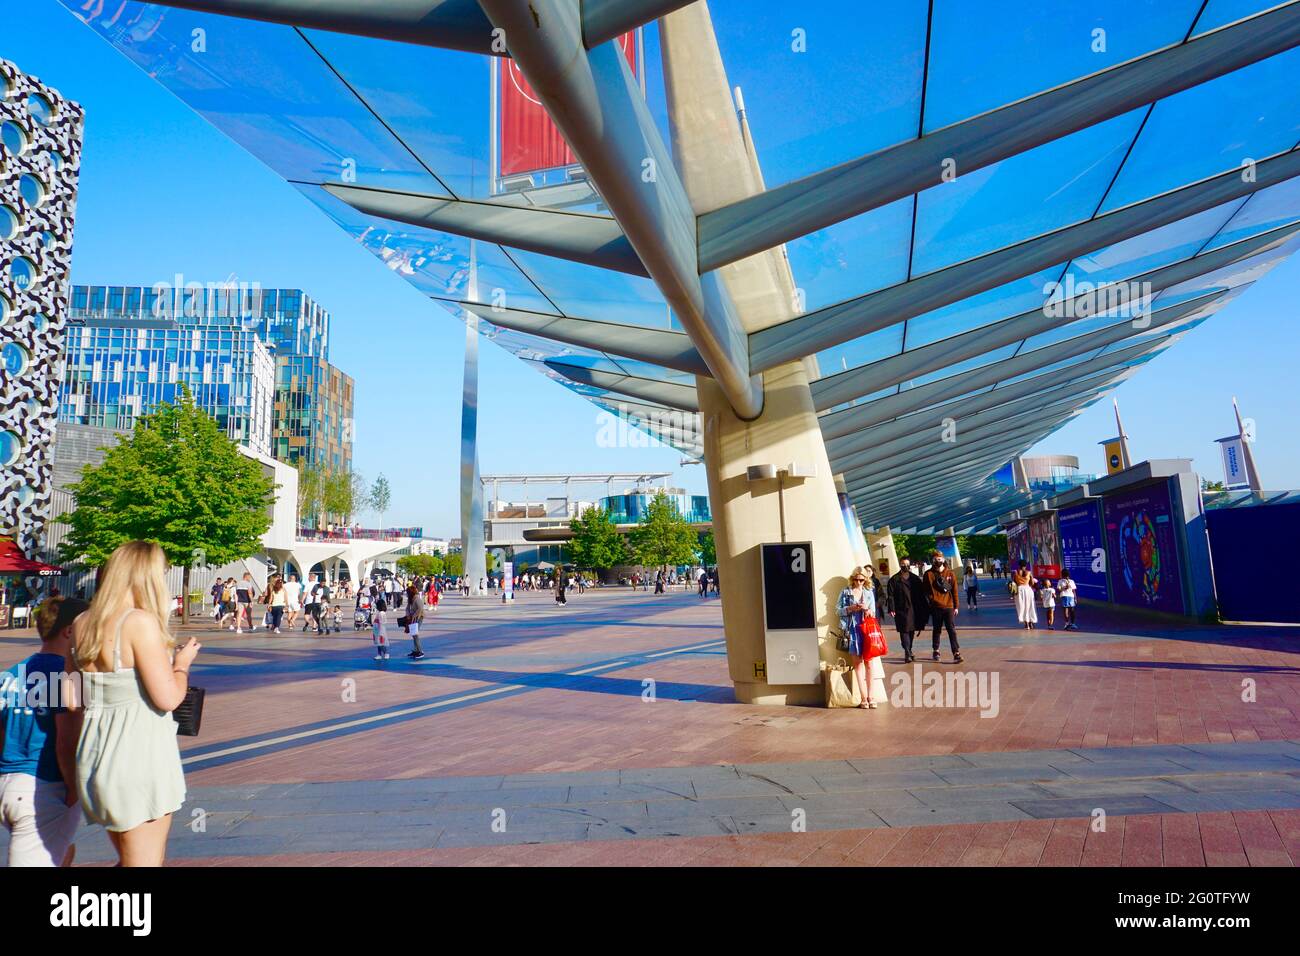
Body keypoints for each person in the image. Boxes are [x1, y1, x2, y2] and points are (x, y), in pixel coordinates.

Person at [67, 540, 199, 867]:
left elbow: (70, 700)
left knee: (129, 860)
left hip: (96, 758)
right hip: (139, 760)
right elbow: (168, 697)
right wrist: (181, 664)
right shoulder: (139, 622)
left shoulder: (81, 624)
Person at [0, 596, 89, 867]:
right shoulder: (67, 677)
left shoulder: (9, 674)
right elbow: (66, 741)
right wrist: (74, 790)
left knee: (59, 850)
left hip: (7, 782)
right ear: (70, 631)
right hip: (44, 787)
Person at [837, 567, 884, 708]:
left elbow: (873, 614)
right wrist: (851, 608)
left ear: (866, 579)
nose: (859, 582)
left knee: (869, 663)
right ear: (853, 579)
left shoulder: (869, 593)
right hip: (852, 630)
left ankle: (871, 696)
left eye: (861, 580)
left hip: (866, 630)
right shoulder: (846, 592)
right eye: (856, 579)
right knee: (858, 665)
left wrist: (867, 609)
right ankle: (864, 698)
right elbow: (837, 610)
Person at [887, 557, 929, 664]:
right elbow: (890, 595)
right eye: (902, 564)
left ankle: (909, 649)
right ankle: (907, 652)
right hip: (901, 609)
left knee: (911, 631)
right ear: (900, 565)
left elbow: (922, 595)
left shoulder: (915, 579)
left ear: (910, 565)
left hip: (914, 609)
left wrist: (925, 608)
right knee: (904, 630)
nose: (905, 566)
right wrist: (891, 608)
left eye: (907, 564)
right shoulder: (894, 580)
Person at [923, 551, 962, 663]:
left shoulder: (950, 574)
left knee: (952, 630)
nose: (938, 561)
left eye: (940, 559)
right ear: (932, 560)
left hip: (949, 606)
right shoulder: (928, 574)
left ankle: (956, 652)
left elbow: (954, 591)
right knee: (937, 629)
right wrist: (931, 601)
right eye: (936, 559)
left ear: (943, 560)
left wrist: (956, 606)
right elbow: (925, 591)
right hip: (936, 606)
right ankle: (936, 650)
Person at [1012, 562, 1037, 630]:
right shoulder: (1029, 573)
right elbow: (1032, 583)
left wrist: (1013, 593)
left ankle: (1026, 624)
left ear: (1019, 565)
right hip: (1028, 590)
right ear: (1025, 566)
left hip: (1019, 590)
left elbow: (1014, 583)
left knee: (1022, 607)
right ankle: (1031, 622)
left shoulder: (1015, 573)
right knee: (1030, 606)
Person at [405, 584, 426, 660]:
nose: (406, 594)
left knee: (415, 634)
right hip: (413, 618)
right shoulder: (410, 599)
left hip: (419, 617)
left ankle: (420, 651)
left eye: (407, 593)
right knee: (413, 634)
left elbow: (420, 609)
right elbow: (407, 608)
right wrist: (408, 615)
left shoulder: (417, 598)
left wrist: (414, 616)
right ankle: (415, 650)